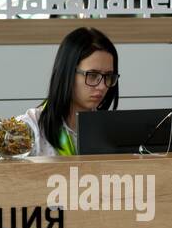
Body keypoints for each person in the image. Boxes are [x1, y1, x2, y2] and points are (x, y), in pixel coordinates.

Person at [15, 27, 119, 157]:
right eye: (92, 75)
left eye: (108, 76)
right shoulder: (28, 129)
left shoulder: (110, 131)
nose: (103, 86)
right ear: (67, 73)